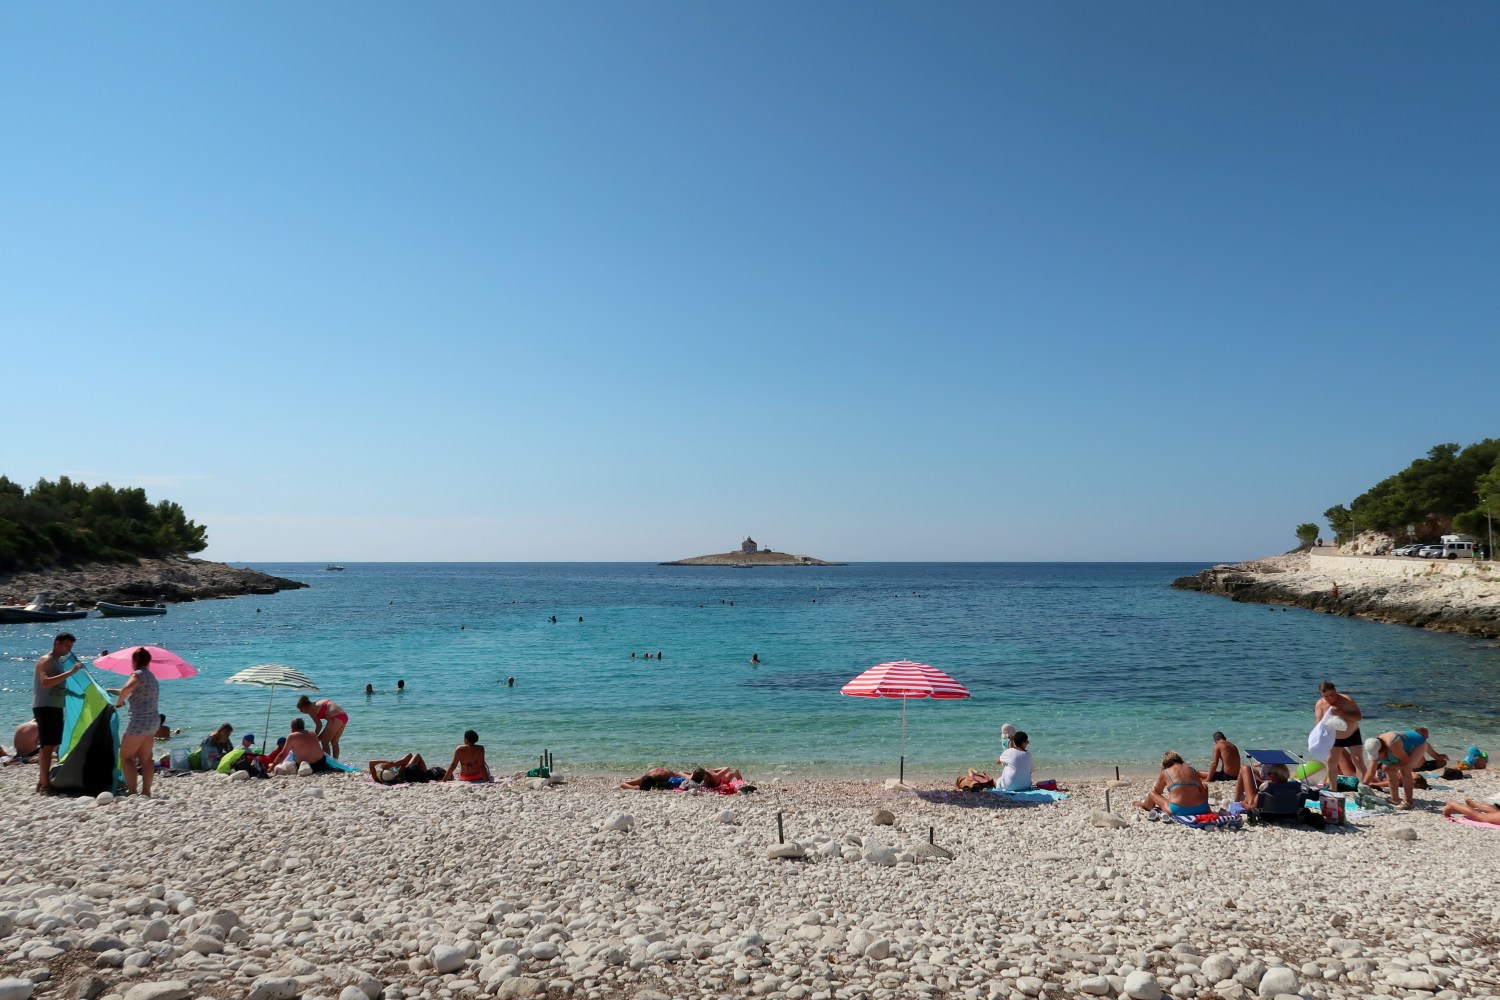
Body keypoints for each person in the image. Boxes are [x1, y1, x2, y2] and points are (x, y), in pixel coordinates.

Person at [33, 633, 85, 794]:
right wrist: (71, 672)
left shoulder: (59, 662)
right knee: (48, 746)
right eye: (67, 646)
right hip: (45, 706)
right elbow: (45, 683)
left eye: (71, 646)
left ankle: (42, 780)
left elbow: (59, 687)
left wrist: (78, 695)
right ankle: (45, 785)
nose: (69, 649)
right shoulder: (46, 660)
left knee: (49, 744)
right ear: (57, 644)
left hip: (55, 707)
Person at [115, 647, 160, 797]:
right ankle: (146, 791)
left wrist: (119, 701)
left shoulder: (137, 674)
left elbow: (128, 687)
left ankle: (133, 791)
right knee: (146, 758)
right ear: (148, 661)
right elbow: (136, 691)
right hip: (153, 721)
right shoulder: (152, 677)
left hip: (140, 721)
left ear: (134, 661)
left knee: (126, 756)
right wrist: (121, 693)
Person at [1363, 728, 1441, 809]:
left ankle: (1408, 802)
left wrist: (1392, 766)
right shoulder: (1372, 746)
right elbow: (1371, 770)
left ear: (1382, 749)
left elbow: (1405, 761)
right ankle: (1395, 799)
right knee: (1388, 769)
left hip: (1419, 744)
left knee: (1405, 769)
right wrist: (1363, 786)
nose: (1378, 756)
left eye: (1379, 753)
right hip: (1402, 747)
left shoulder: (1392, 744)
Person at [1133, 751, 1211, 818]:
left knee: (1152, 794)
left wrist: (1162, 772)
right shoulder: (1192, 770)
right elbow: (1202, 790)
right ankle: (1207, 808)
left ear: (1165, 764)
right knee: (1204, 786)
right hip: (1200, 808)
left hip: (1179, 809)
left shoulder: (1166, 772)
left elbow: (1158, 791)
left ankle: (1145, 806)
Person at [1315, 681, 1365, 778]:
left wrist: (1341, 713)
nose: (1329, 698)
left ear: (1335, 691)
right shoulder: (1320, 704)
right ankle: (1333, 786)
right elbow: (1318, 722)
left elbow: (1358, 717)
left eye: (1331, 695)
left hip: (1352, 734)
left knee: (1358, 760)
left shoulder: (1346, 700)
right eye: (1326, 696)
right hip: (1334, 737)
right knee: (1331, 761)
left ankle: (1364, 784)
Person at [368, 752, 433, 785]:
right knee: (417, 755)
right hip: (422, 775)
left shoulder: (378, 779)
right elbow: (406, 760)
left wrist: (385, 762)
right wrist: (391, 764)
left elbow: (371, 763)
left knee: (411, 758)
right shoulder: (398, 775)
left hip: (412, 773)